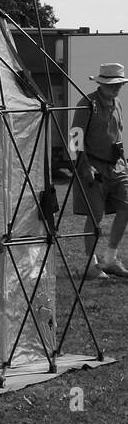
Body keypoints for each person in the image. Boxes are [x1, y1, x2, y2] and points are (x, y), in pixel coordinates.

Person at [72, 62, 128, 279]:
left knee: (126, 208)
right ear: (101, 84)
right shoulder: (86, 104)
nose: (117, 88)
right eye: (113, 84)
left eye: (120, 84)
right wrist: (83, 164)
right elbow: (75, 136)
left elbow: (118, 136)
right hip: (93, 167)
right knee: (95, 215)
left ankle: (111, 260)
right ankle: (90, 264)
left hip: (117, 166)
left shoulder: (118, 103)